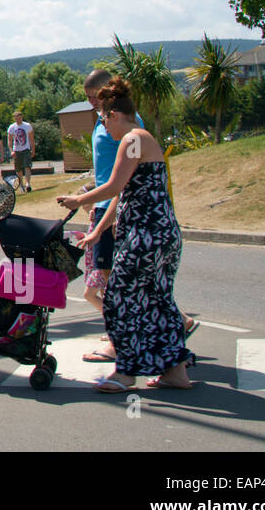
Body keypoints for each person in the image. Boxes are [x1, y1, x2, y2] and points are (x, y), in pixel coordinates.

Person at [58, 78, 194, 393]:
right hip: (163, 235)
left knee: (119, 298)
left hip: (145, 237)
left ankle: (125, 371)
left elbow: (113, 187)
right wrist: (98, 232)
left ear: (115, 115)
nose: (103, 127)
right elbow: (122, 198)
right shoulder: (144, 140)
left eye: (103, 119)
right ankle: (176, 371)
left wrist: (78, 200)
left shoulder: (132, 139)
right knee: (158, 301)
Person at [7, 111, 35, 191]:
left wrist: (33, 149)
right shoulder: (12, 127)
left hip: (26, 149)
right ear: (14, 119)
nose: (18, 119)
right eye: (16, 118)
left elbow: (31, 138)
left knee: (27, 166)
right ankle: (21, 184)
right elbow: (9, 140)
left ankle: (28, 184)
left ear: (22, 117)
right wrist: (11, 151)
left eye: (19, 118)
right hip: (16, 150)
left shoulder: (27, 126)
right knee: (18, 169)